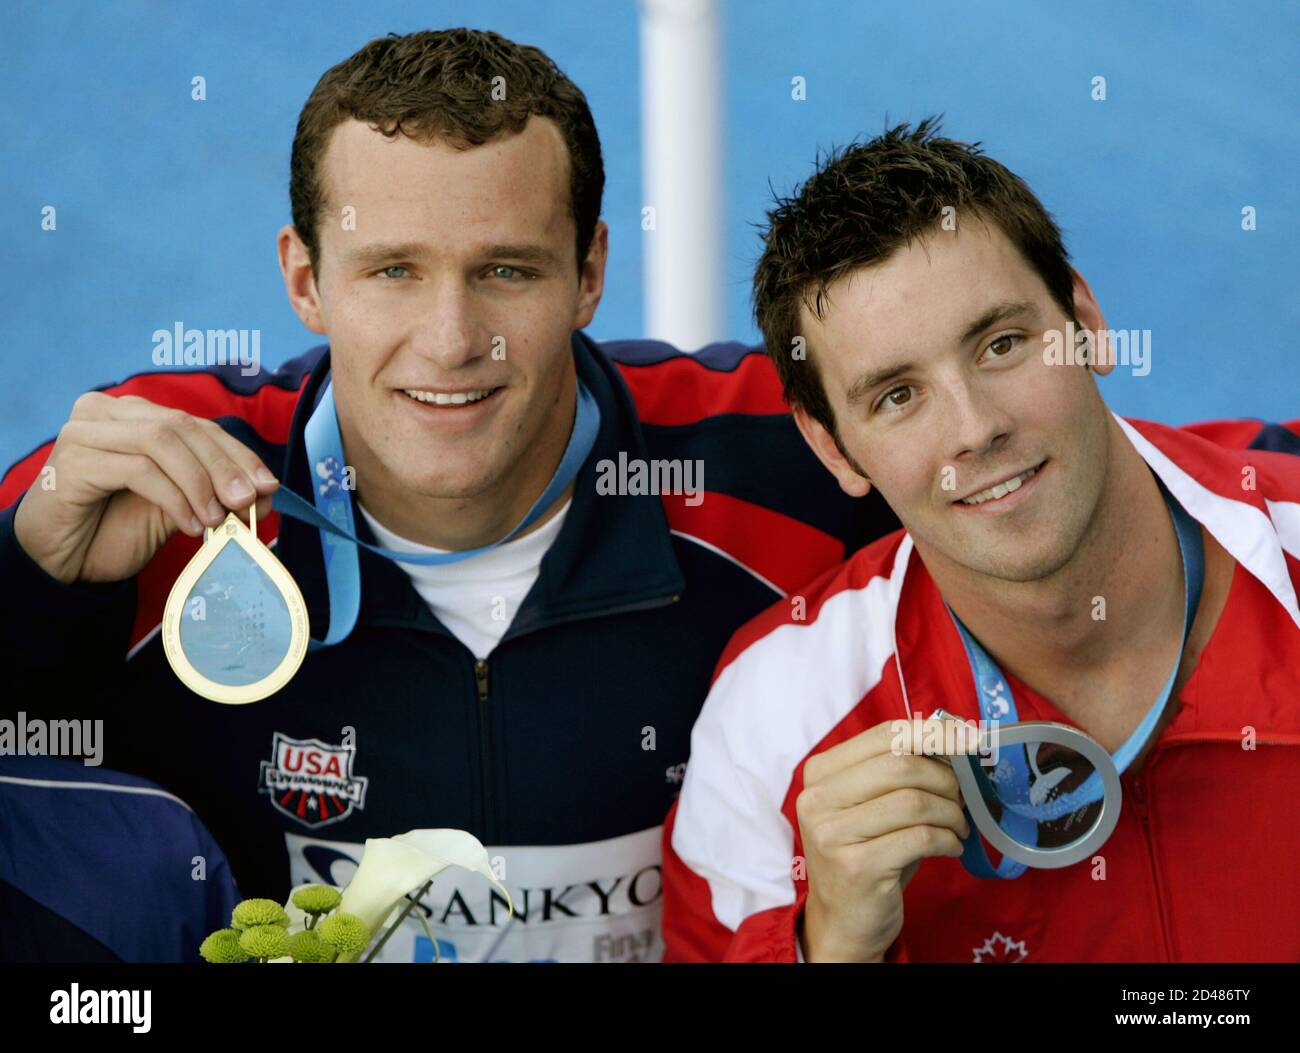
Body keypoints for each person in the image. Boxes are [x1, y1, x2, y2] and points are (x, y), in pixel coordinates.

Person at [0, 29, 897, 963]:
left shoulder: (788, 450)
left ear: (589, 273)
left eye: (506, 270)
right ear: (306, 279)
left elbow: (1038, 512)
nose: (453, 340)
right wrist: (27, 582)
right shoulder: (141, 481)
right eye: (394, 271)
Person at [661, 117, 1300, 962]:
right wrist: (828, 944)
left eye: (1001, 344)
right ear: (831, 447)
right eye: (897, 395)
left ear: (1085, 321)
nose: (975, 429)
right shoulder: (774, 726)